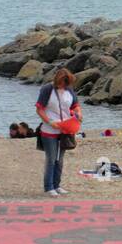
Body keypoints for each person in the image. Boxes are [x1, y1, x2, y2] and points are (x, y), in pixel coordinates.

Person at [35, 69, 82, 198]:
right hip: (49, 130)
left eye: (67, 83)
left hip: (65, 130)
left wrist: (78, 113)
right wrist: (50, 122)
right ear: (58, 80)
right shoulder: (47, 89)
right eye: (63, 82)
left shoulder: (69, 90)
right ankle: (49, 186)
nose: (64, 85)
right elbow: (39, 109)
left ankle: (57, 185)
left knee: (59, 160)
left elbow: (75, 106)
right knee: (51, 159)